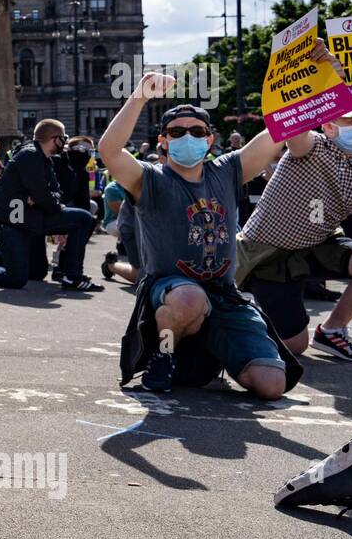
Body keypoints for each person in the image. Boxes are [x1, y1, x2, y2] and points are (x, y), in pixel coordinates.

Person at [100, 78, 299, 399]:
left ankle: (211, 350)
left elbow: (280, 127)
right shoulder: (149, 179)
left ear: (209, 140)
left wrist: (321, 78)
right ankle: (163, 352)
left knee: (271, 384)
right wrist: (139, 97)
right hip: (170, 290)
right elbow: (110, 151)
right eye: (177, 133)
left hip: (224, 294)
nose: (187, 137)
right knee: (190, 299)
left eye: (196, 131)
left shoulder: (228, 170)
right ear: (163, 141)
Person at [234, 47, 352, 361]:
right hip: (268, 252)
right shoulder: (311, 146)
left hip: (319, 244)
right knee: (294, 347)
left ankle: (333, 331)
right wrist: (324, 79)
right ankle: (245, 312)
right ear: (327, 124)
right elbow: (293, 127)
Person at [0, 119, 105, 292]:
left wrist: (47, 200)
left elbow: (55, 193)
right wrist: (47, 200)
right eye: (63, 138)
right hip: (10, 223)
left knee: (83, 218)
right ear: (55, 139)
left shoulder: (45, 158)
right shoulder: (30, 155)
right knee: (16, 278)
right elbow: (43, 194)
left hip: (29, 218)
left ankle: (73, 276)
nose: (64, 142)